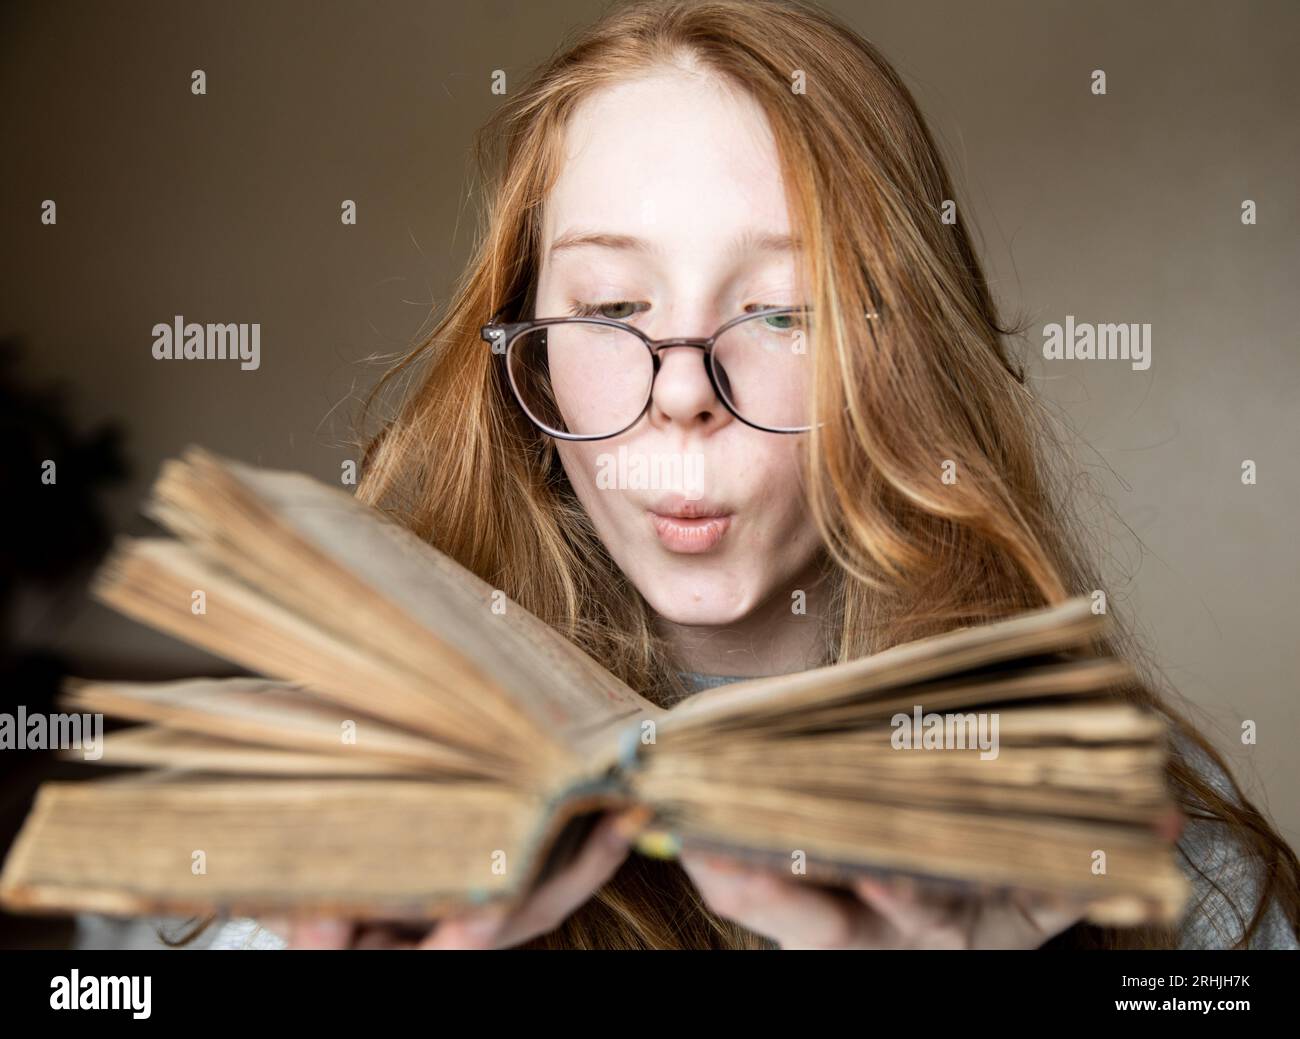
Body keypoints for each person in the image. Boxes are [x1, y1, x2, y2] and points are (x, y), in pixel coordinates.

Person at [183, 0, 1298, 950]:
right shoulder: (358, 801)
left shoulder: (1144, 830)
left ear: (899, 353)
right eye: (614, 308)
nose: (680, 391)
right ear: (528, 343)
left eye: (778, 310)